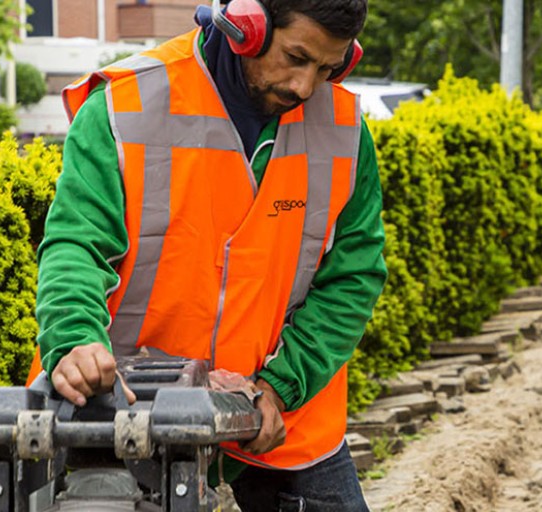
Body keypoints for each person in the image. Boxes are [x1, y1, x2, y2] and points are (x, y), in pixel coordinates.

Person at [28, 0, 385, 510]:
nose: (306, 87)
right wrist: (74, 337)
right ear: (246, 27)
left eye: (327, 68)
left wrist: (281, 386)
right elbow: (76, 244)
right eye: (296, 57)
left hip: (277, 410)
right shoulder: (125, 105)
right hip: (124, 408)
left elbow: (353, 278)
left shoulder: (345, 131)